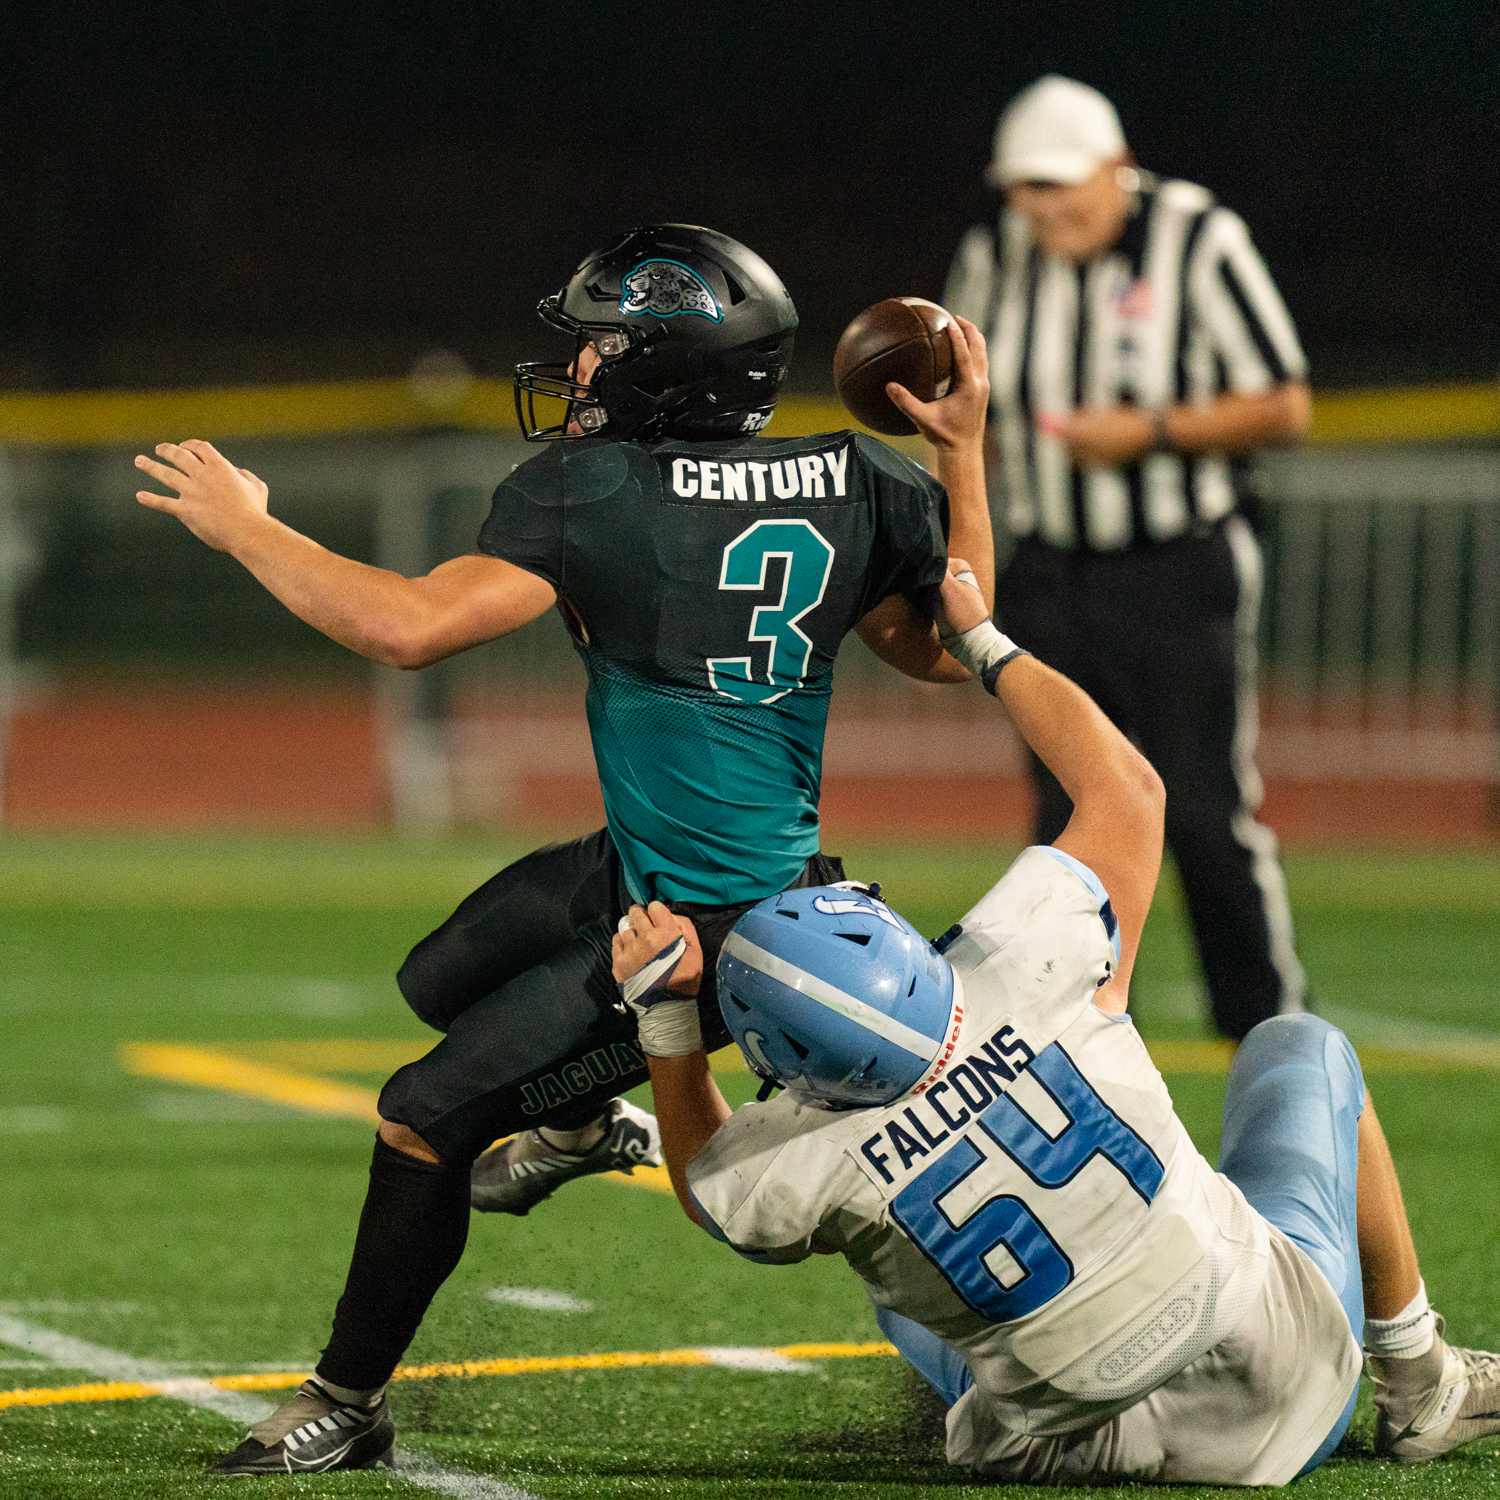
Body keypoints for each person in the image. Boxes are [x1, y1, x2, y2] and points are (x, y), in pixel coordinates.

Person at [133, 224, 996, 1474]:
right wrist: (962, 456)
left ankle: (345, 1400)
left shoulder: (597, 495)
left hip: (705, 933)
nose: (580, 370)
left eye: (602, 347)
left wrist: (250, 528)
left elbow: (408, 627)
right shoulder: (857, 481)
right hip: (656, 863)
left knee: (423, 1118)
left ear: (666, 370)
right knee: (435, 980)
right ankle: (586, 1122)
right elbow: (940, 649)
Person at [614, 559, 1500, 1485]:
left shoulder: (800, 1162)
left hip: (1065, 1449)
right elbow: (1128, 787)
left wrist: (664, 1018)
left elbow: (708, 1187)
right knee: (1299, 1044)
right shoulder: (1032, 959)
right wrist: (983, 641)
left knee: (899, 1293)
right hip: (1277, 1393)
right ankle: (1420, 1381)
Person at [941, 75, 1311, 1040]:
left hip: (1179, 562)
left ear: (1117, 169)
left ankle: (1271, 1030)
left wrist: (1149, 431)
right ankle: (1077, 1030)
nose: (1044, 207)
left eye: (1062, 184)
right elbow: (959, 407)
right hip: (1049, 570)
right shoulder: (994, 255)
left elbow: (1283, 402)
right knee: (1065, 815)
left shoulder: (1198, 236)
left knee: (1199, 807)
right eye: (1025, 188)